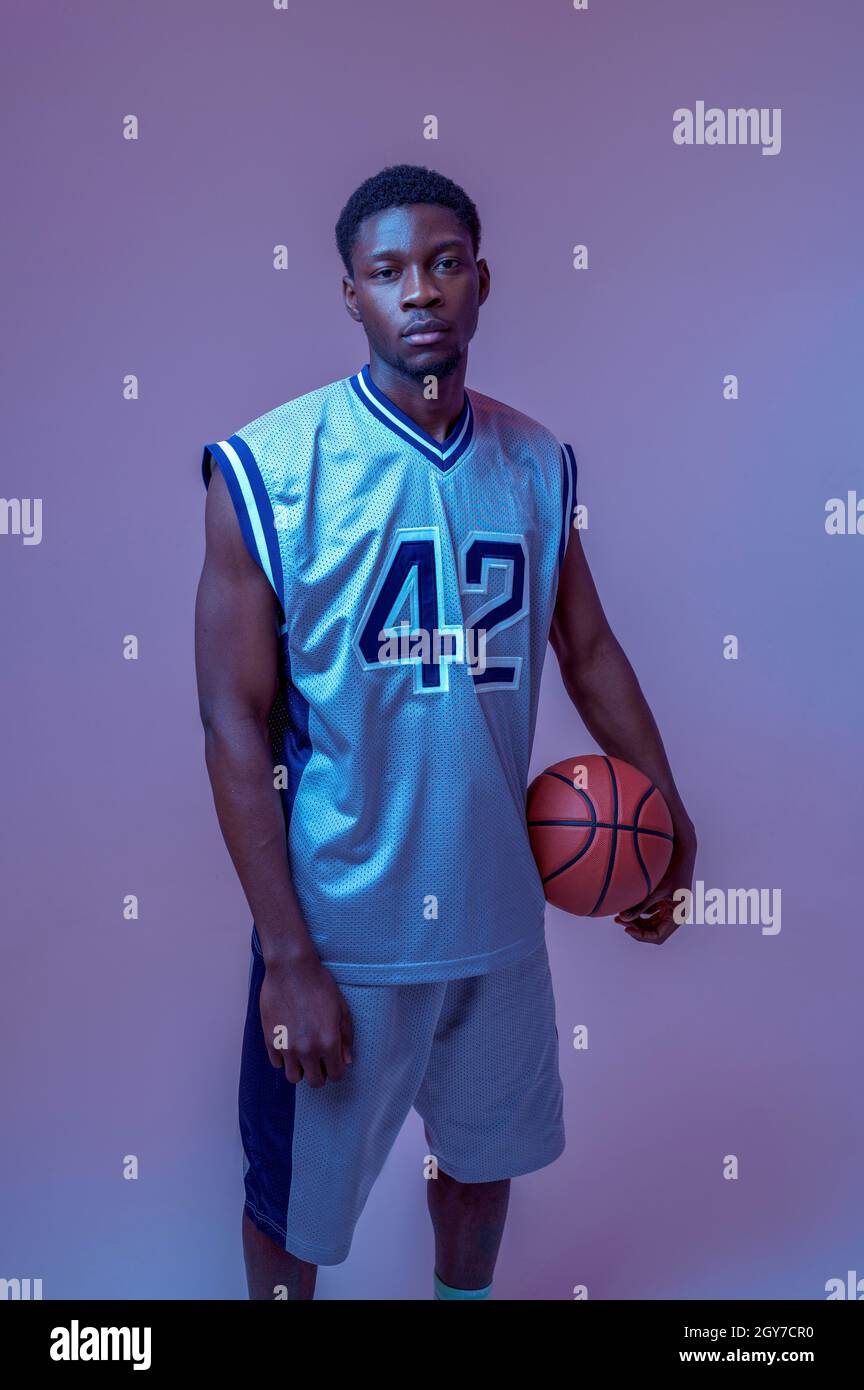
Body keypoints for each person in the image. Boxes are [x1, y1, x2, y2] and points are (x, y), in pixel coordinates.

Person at [194, 163, 697, 1301]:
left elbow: (592, 651)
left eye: (443, 263)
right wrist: (285, 958)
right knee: (292, 1206)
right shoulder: (267, 470)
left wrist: (665, 814)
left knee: (480, 1168)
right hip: (342, 925)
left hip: (497, 913)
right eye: (387, 271)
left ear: (480, 282)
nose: (418, 290)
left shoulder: (536, 461)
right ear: (352, 296)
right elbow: (231, 718)